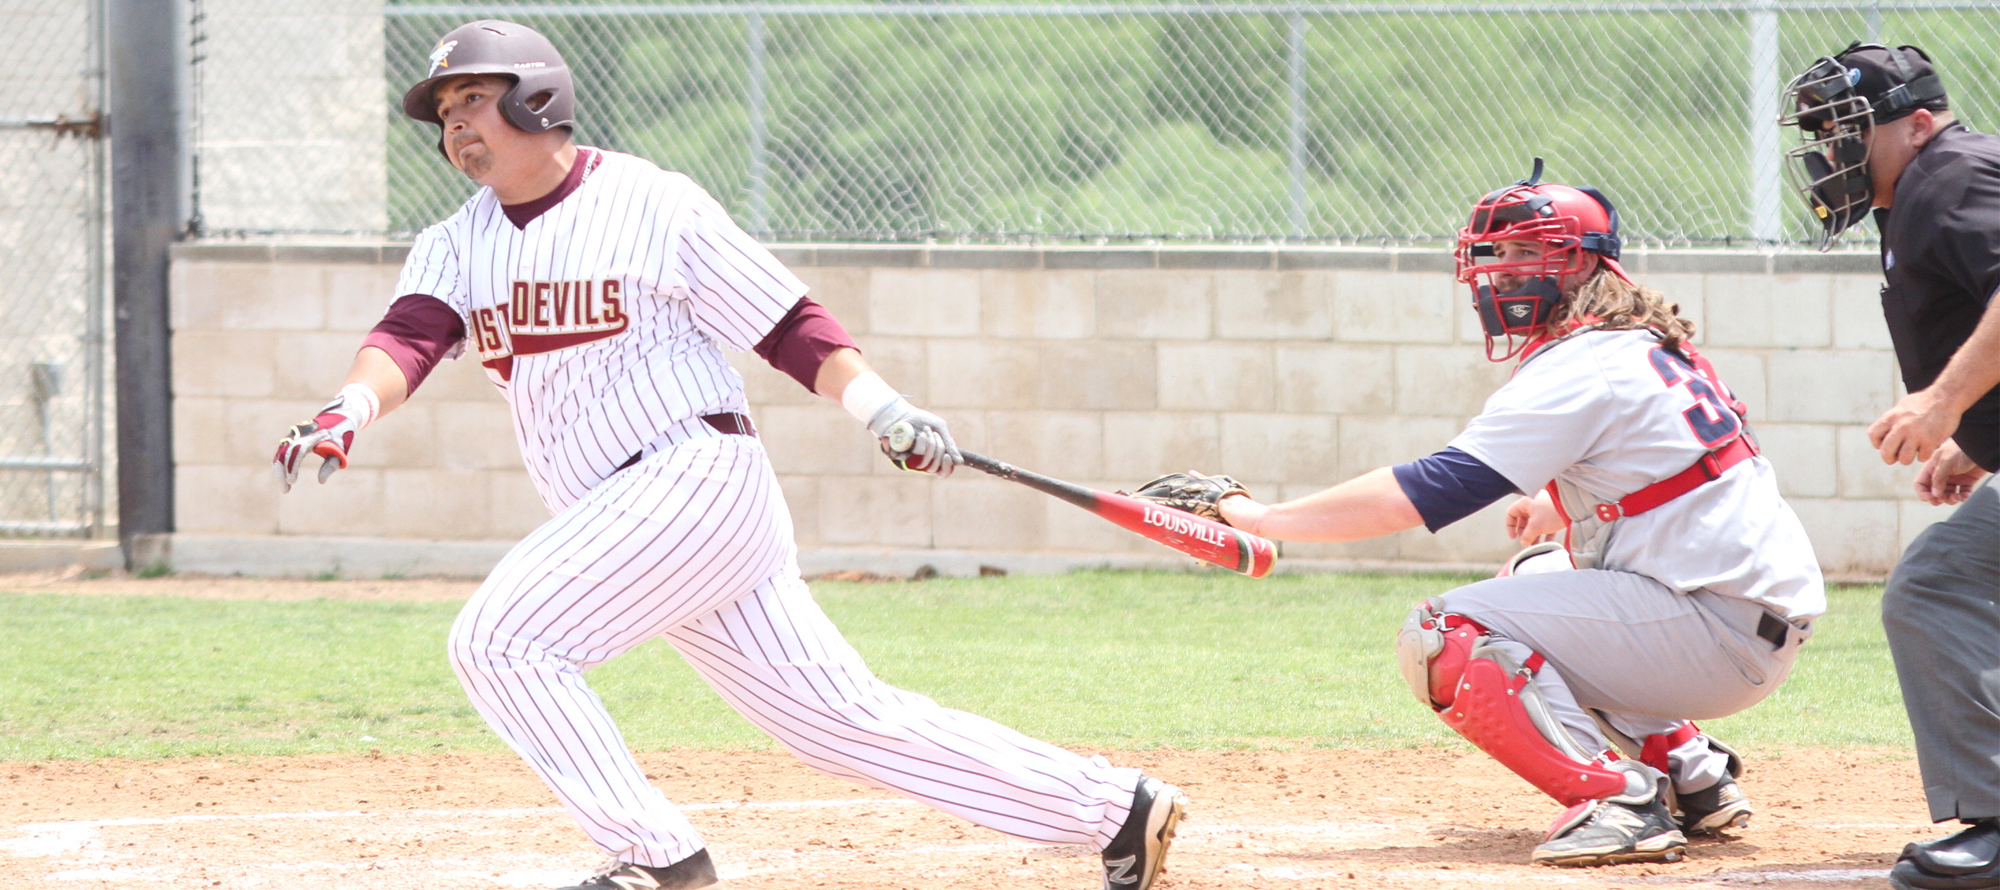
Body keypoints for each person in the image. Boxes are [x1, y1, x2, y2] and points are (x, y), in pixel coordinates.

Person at [269, 20, 1184, 890]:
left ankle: (659, 859)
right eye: (444, 112)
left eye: (472, 98)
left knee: (500, 641)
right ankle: (1114, 810)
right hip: (627, 515)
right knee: (838, 722)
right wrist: (348, 409)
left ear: (536, 97)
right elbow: (409, 337)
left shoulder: (650, 201)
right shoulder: (455, 244)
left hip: (692, 478)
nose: (456, 125)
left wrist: (882, 407)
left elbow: (785, 323)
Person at [1133, 162, 1825, 867]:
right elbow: (1681, 466)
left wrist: (1257, 517)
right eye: (1497, 252)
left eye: (1529, 251)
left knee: (1444, 633)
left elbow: (1432, 489)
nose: (1503, 270)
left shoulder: (1584, 361)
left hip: (1712, 629)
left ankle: (1619, 800)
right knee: (1531, 574)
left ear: (1581, 262)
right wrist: (1558, 503)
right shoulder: (1638, 342)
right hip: (1736, 612)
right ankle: (1689, 772)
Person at [1782, 42, 2000, 890]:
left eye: (1847, 130)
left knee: (1937, 585)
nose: (1831, 151)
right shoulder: (1927, 188)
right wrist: (1977, 439)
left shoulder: (1951, 177)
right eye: (1821, 134)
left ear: (1915, 124)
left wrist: (1943, 402)